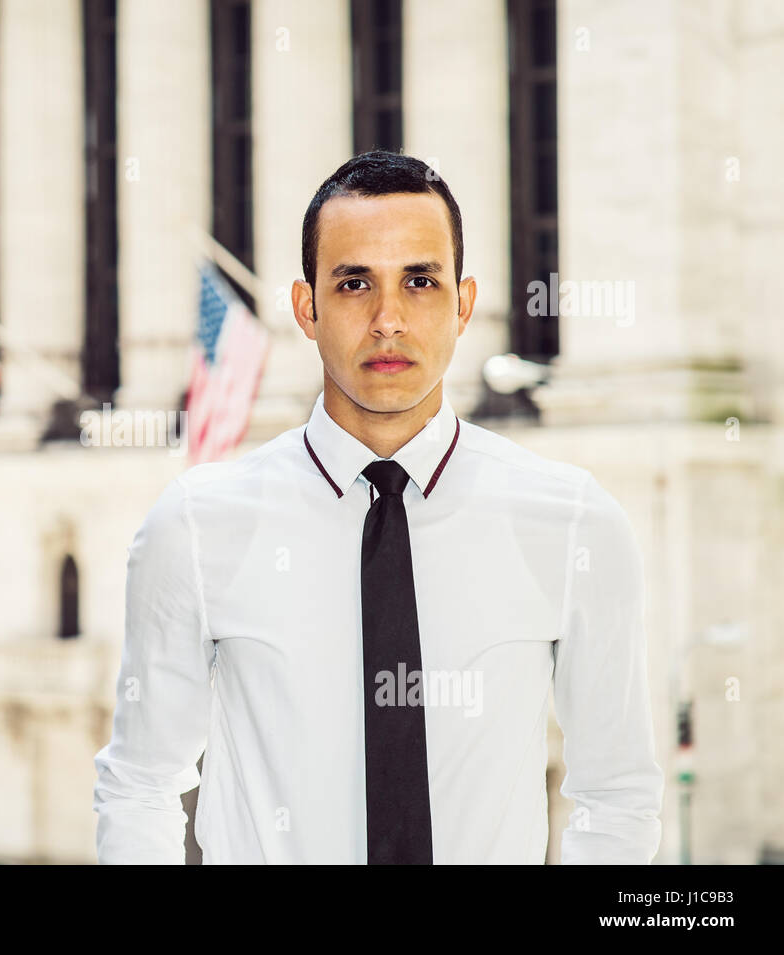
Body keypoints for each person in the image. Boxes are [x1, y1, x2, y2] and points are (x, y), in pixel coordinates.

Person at [92, 151, 663, 864]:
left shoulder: (575, 522)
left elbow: (618, 794)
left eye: (420, 281)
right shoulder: (197, 526)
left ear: (463, 303)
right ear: (307, 308)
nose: (388, 319)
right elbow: (139, 784)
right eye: (355, 282)